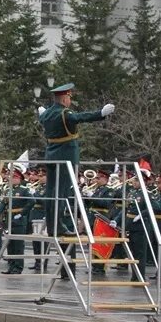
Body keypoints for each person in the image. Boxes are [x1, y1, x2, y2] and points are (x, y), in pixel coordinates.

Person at [39, 83, 114, 235]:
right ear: (64, 98)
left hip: (51, 156)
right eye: (69, 97)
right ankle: (58, 228)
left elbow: (43, 119)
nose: (70, 101)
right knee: (61, 193)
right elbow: (81, 117)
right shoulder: (65, 113)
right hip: (66, 156)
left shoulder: (46, 114)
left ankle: (51, 226)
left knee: (50, 192)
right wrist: (101, 113)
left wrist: (42, 113)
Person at [0, 168, 34, 274]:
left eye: (13, 177)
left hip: (18, 219)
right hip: (8, 218)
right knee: (10, 244)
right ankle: (11, 266)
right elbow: (3, 203)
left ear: (18, 178)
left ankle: (18, 267)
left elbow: (31, 202)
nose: (10, 179)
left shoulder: (24, 190)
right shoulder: (8, 190)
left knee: (18, 244)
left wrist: (22, 213)